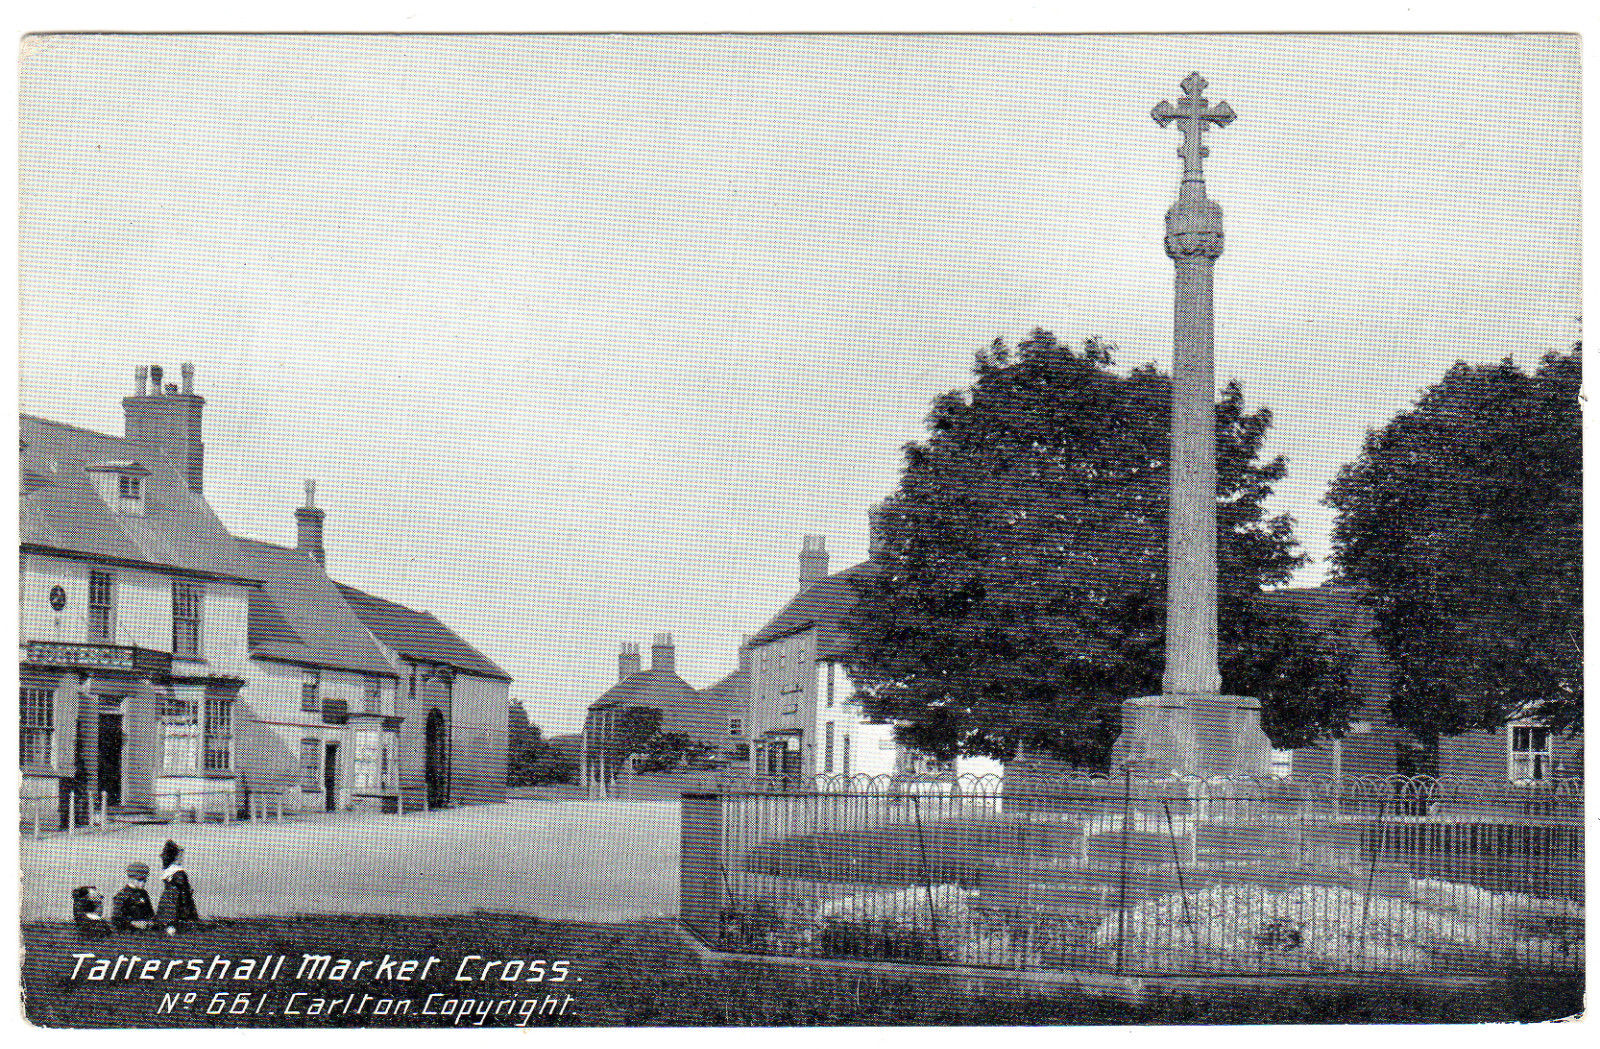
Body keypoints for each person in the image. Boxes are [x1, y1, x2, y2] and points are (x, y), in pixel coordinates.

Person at [155, 840, 199, 935]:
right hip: (178, 899)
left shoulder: (168, 870)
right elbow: (182, 886)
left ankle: (168, 929)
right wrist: (188, 892)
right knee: (181, 917)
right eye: (181, 856)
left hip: (168, 898)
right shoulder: (179, 872)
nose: (182, 858)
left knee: (168, 916)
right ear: (176, 857)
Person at [110, 863, 155, 931]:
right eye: (139, 880)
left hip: (145, 932)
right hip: (129, 933)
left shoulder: (144, 894)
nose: (143, 883)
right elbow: (117, 919)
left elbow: (150, 913)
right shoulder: (122, 895)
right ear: (131, 878)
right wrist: (133, 923)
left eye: (144, 880)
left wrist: (150, 922)